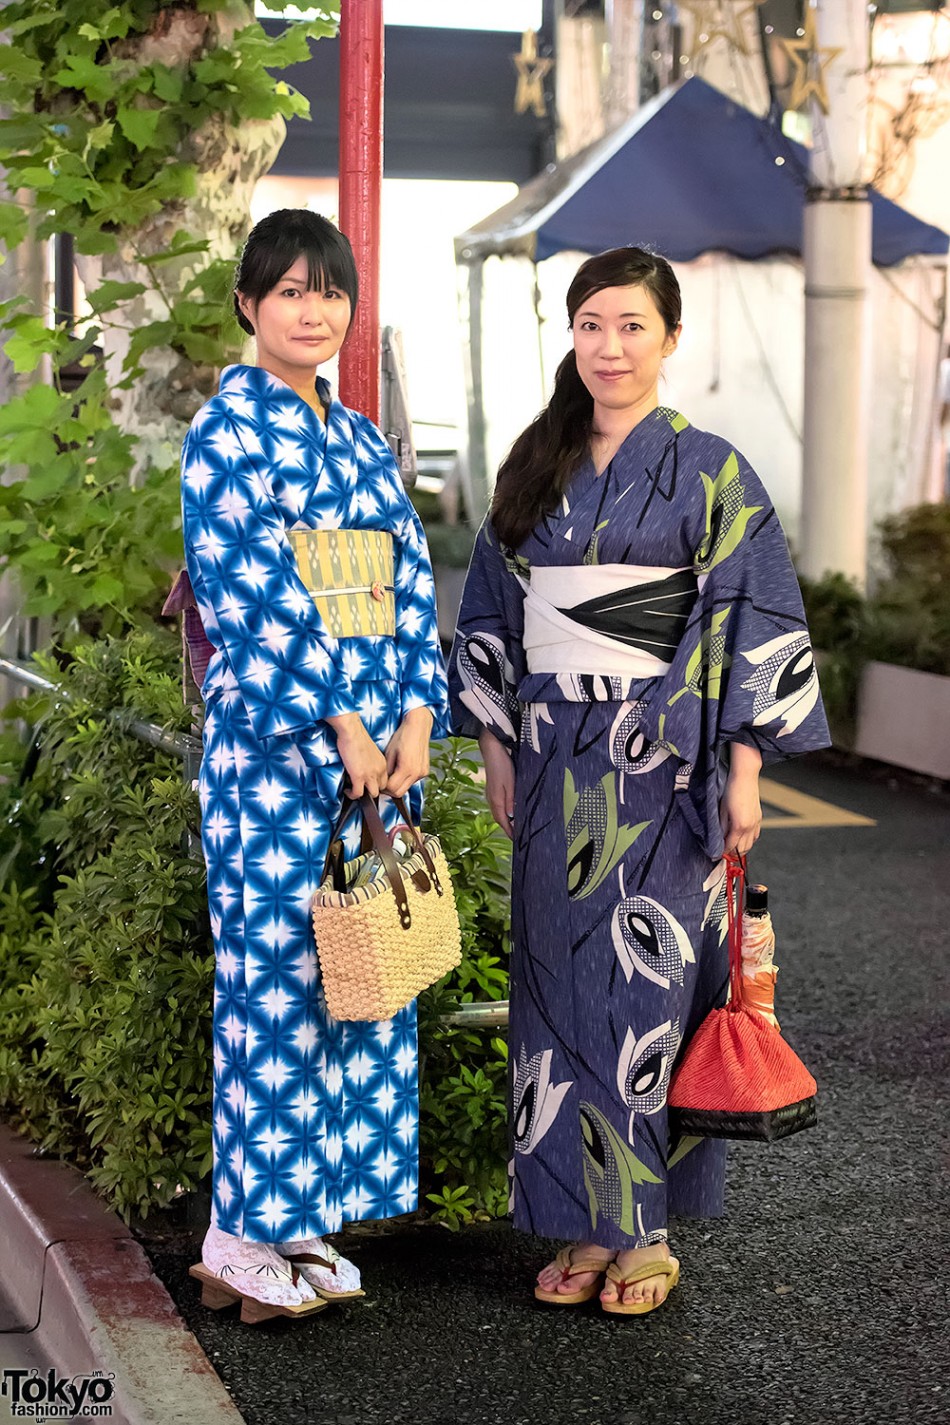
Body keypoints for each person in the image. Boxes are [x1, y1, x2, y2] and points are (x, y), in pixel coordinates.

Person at [447, 246, 830, 1316]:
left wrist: (743, 770)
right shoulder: (537, 464)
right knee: (554, 996)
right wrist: (493, 749)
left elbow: (750, 620)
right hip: (552, 756)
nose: (607, 347)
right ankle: (573, 1223)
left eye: (629, 326)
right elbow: (489, 614)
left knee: (645, 996)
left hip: (662, 766)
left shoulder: (710, 468)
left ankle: (642, 1231)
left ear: (668, 338)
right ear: (570, 340)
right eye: (588, 326)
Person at [180, 209, 449, 1309]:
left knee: (359, 985)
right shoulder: (225, 432)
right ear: (248, 304)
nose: (312, 311)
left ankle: (305, 1226)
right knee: (274, 987)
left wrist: (417, 718)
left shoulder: (353, 438)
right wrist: (337, 722)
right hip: (280, 758)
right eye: (288, 290)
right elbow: (253, 595)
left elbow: (411, 575)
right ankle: (240, 1230)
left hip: (382, 751)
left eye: (327, 291)